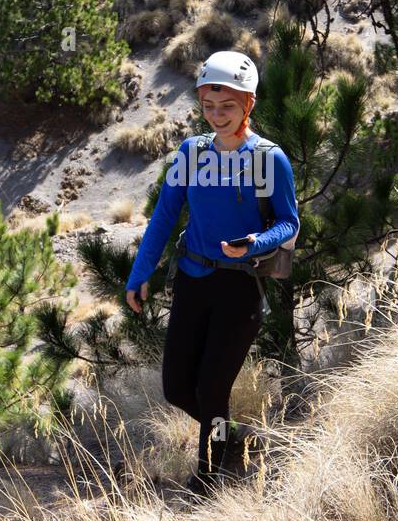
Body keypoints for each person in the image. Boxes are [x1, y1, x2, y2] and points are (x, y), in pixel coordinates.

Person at [125, 51, 299, 498]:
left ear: (249, 104)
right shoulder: (191, 152)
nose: (217, 116)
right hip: (192, 280)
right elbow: (164, 217)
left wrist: (254, 243)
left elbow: (288, 223)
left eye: (227, 106)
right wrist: (140, 274)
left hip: (239, 287)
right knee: (177, 387)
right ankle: (232, 439)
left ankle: (207, 482)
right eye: (208, 106)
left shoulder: (268, 159)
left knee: (212, 387)